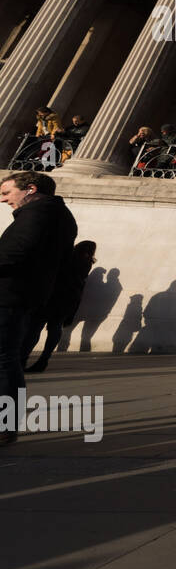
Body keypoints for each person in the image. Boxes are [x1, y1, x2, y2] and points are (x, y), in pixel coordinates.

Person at [0, 171, 78, 444]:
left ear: (30, 189)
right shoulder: (59, 215)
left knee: (5, 360)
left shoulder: (38, 213)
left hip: (9, 295)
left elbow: (14, 253)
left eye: (7, 192)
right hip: (25, 296)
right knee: (8, 359)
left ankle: (5, 425)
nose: (3, 199)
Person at [25, 239, 96, 374]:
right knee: (55, 329)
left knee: (35, 328)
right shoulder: (87, 264)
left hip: (53, 297)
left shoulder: (68, 258)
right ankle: (44, 359)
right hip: (67, 301)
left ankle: (23, 357)